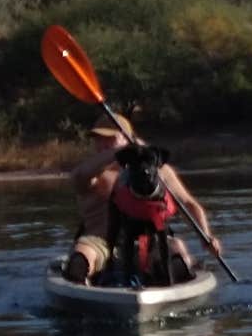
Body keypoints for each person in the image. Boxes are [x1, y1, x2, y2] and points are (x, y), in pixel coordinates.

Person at [63, 115, 223, 285]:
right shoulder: (92, 173)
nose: (103, 145)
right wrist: (120, 152)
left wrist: (206, 236)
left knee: (175, 247)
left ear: (127, 138)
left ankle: (172, 275)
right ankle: (80, 277)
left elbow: (189, 204)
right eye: (99, 139)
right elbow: (79, 176)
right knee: (82, 255)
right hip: (101, 241)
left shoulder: (158, 172)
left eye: (110, 139)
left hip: (149, 241)